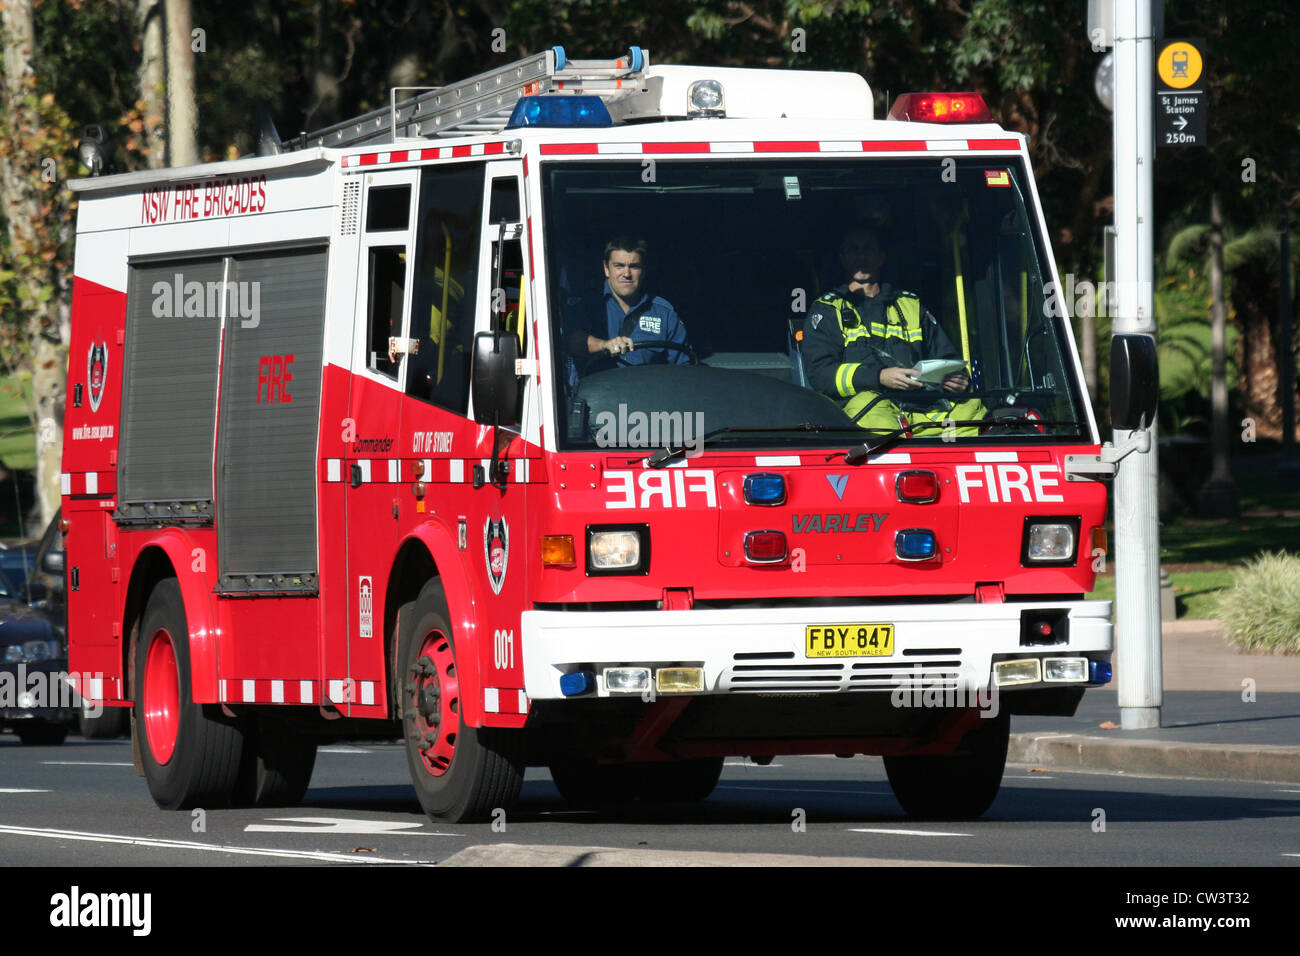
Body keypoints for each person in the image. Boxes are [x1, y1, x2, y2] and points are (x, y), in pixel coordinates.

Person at [802, 226, 985, 435]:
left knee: (973, 409)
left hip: (921, 409)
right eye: (853, 249)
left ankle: (944, 463)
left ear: (881, 257)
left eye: (868, 249)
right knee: (872, 410)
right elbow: (820, 375)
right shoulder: (827, 309)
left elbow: (947, 358)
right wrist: (878, 377)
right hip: (865, 408)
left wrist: (958, 379)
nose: (861, 256)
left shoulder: (912, 305)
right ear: (842, 258)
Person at [565, 237, 690, 373]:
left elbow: (684, 369)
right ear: (606, 269)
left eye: (634, 266)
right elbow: (570, 341)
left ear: (643, 271)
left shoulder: (664, 313)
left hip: (649, 391)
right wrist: (604, 344)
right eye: (619, 266)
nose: (627, 274)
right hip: (597, 392)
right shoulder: (587, 305)